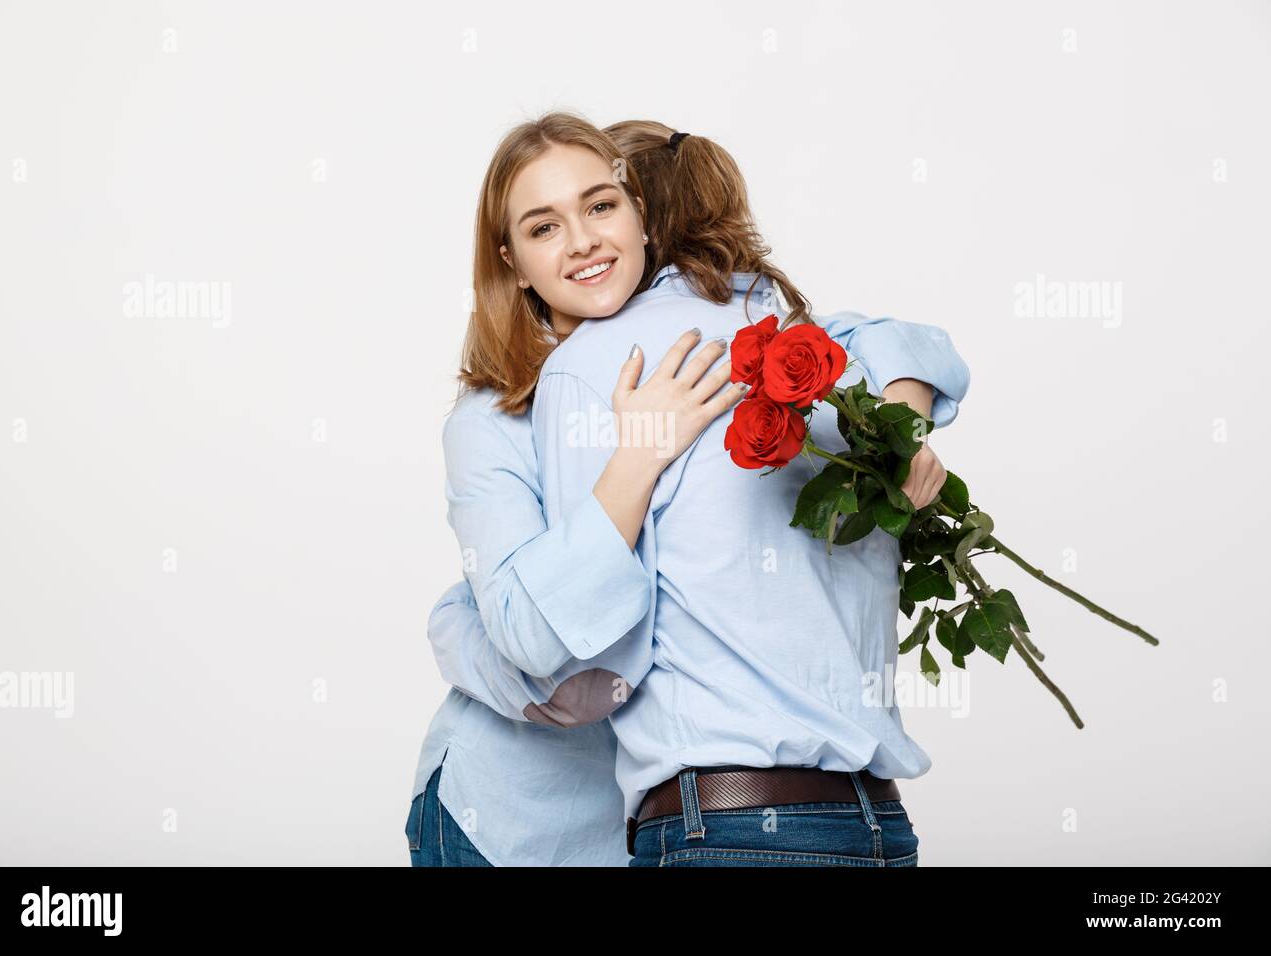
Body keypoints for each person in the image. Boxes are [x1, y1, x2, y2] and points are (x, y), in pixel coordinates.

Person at [410, 112, 969, 866]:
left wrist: (901, 419)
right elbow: (563, 671)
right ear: (512, 262)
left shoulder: (724, 352)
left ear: (644, 217)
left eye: (601, 206)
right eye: (544, 228)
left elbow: (885, 336)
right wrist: (463, 616)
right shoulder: (495, 417)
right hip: (527, 820)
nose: (581, 241)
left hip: (680, 820)